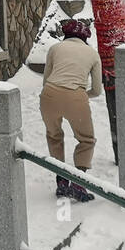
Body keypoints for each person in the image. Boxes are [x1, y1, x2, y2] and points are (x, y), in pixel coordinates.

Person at [41, 19, 101, 202]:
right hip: (76, 96)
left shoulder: (55, 49)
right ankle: (78, 184)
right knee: (86, 139)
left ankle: (61, 182)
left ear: (65, 35)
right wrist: (81, 95)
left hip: (49, 94)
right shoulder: (92, 53)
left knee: (54, 136)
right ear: (85, 38)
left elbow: (46, 79)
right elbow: (97, 90)